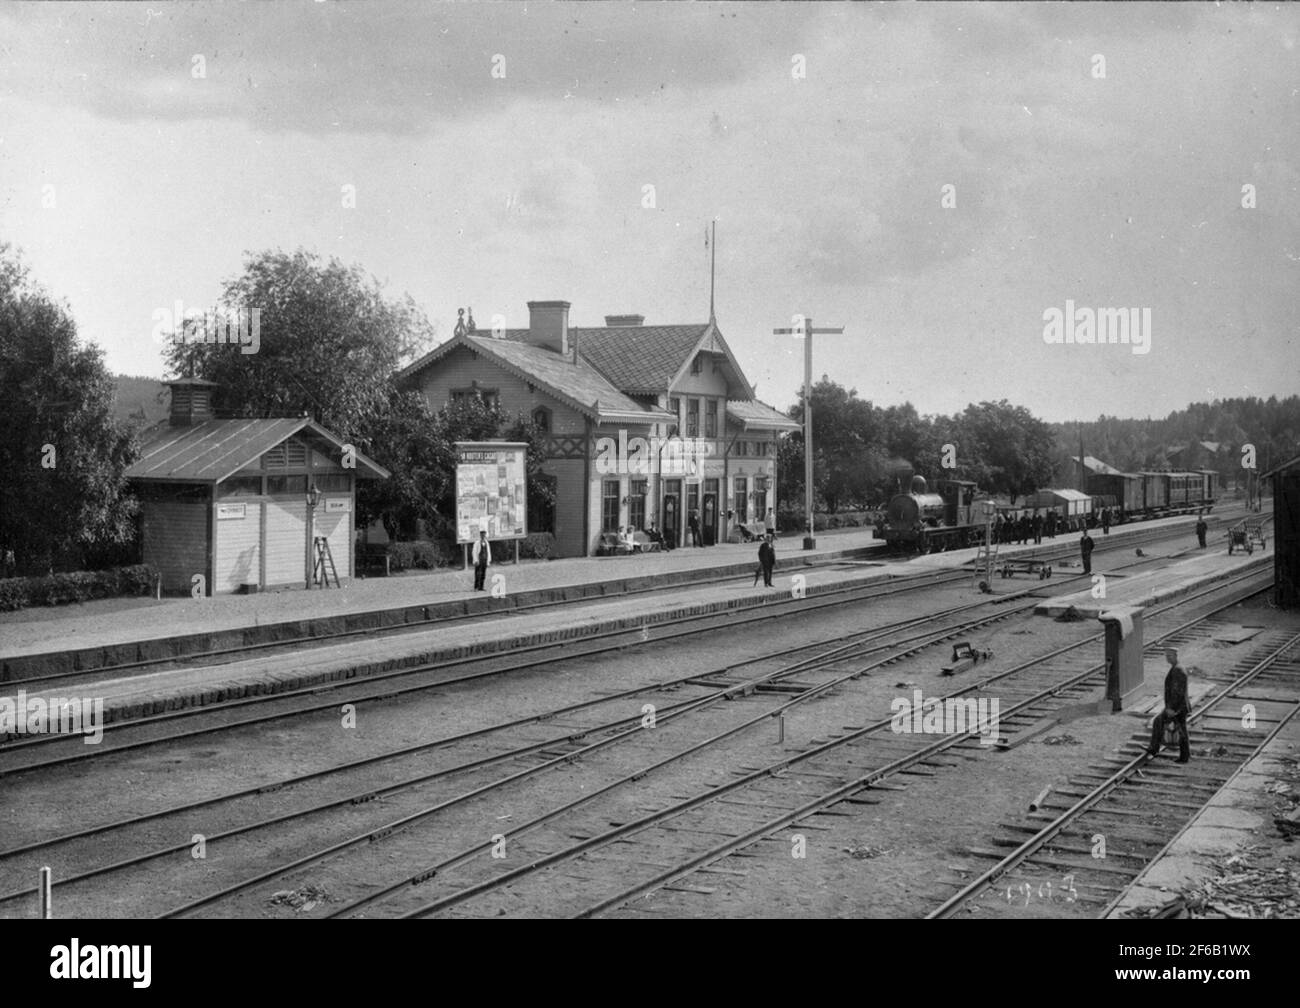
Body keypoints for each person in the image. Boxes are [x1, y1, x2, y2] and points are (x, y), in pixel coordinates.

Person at [1147, 648, 1191, 763]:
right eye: (1167, 656)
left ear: (1176, 656)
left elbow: (1177, 692)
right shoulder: (1176, 668)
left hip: (1177, 707)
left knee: (1160, 722)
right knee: (1181, 730)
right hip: (1178, 706)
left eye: (1170, 656)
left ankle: (1154, 748)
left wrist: (1172, 708)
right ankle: (1184, 756)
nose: (1168, 658)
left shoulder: (1178, 670)